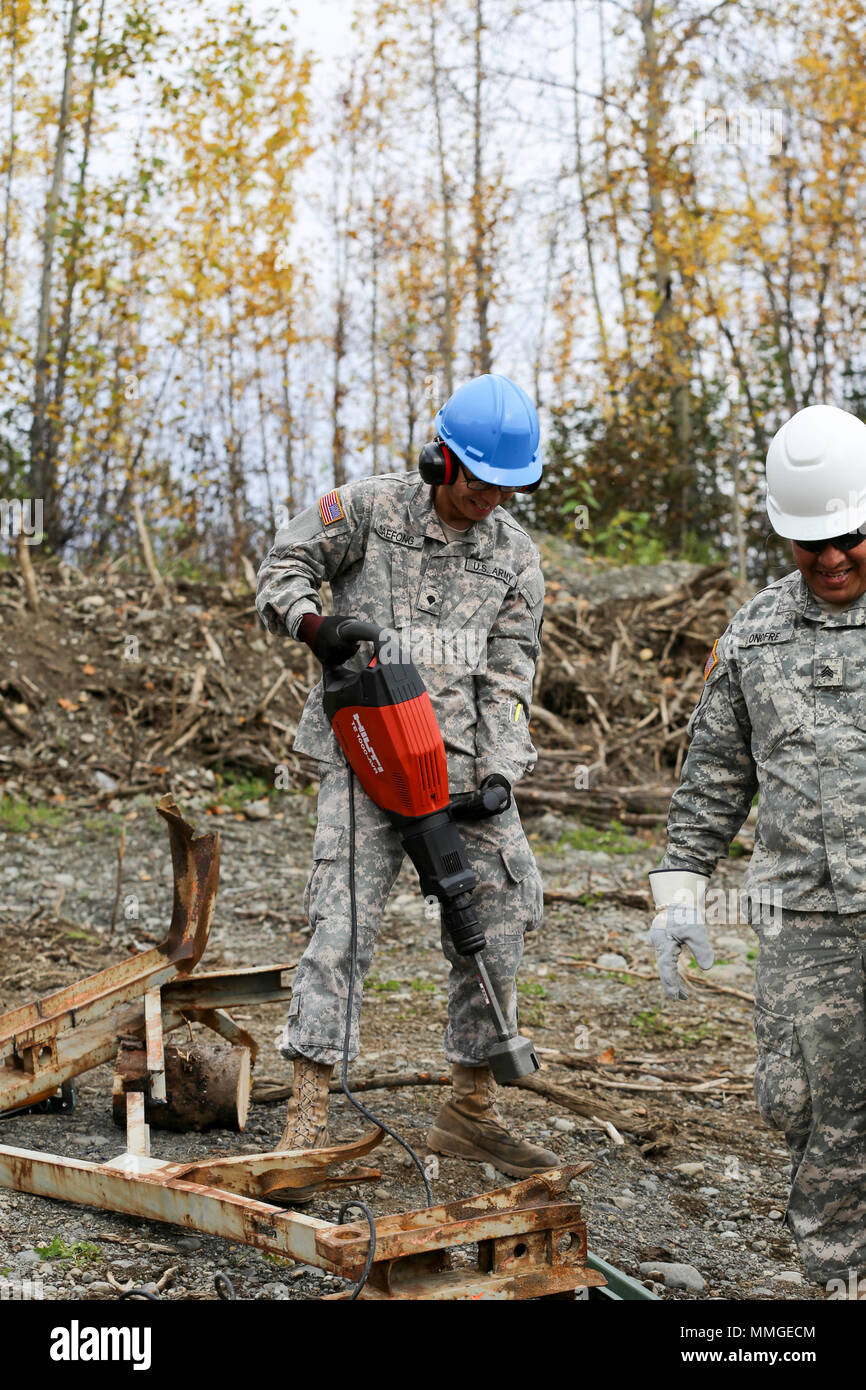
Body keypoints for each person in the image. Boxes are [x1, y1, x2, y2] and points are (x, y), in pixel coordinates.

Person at [255, 373, 558, 1189]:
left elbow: (511, 674)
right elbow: (281, 568)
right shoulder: (366, 510)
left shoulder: (515, 557)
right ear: (439, 460)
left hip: (460, 769)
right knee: (341, 926)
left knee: (497, 916)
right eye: (477, 483)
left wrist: (502, 770)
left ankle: (470, 1110)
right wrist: (315, 626)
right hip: (366, 753)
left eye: (505, 488)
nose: (489, 500)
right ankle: (308, 1117)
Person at [649, 402, 866, 1285]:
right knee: (808, 1104)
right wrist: (678, 895)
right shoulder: (756, 636)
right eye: (811, 544)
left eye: (851, 536)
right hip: (804, 913)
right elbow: (711, 780)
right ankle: (840, 1277)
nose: (834, 558)